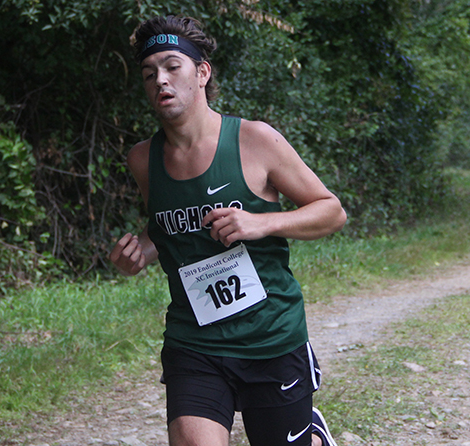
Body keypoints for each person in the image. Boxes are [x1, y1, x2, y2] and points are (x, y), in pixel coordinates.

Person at [109, 15, 347, 446]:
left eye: (172, 66)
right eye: (149, 73)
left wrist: (261, 222)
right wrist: (139, 254)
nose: (160, 79)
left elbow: (331, 211)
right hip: (194, 338)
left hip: (270, 336)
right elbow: (167, 229)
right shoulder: (143, 160)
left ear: (201, 73)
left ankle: (310, 434)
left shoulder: (254, 140)